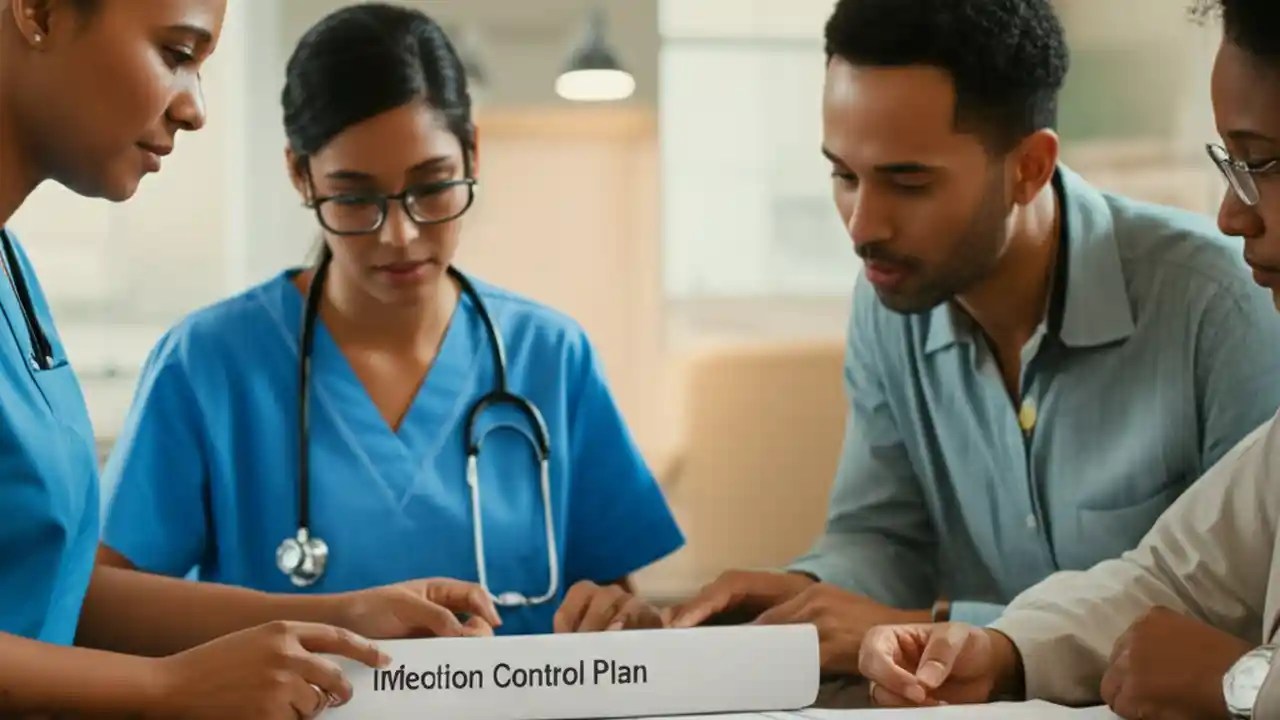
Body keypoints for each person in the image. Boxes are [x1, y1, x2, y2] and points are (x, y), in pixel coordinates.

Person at [655, 0, 1280, 677]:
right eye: (843, 175)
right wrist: (801, 600)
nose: (863, 226)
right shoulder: (890, 298)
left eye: (908, 182)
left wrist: (935, 630)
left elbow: (1234, 612)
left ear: (1029, 168)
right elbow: (884, 536)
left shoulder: (1224, 303)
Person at [95, 2, 685, 638]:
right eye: (355, 197)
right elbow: (101, 606)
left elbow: (610, 604)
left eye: (431, 188)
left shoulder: (552, 355)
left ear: (473, 154)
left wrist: (623, 616)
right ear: (300, 174)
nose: (400, 236)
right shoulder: (210, 364)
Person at [0, 1, 508, 718]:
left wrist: (345, 618)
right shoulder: (210, 356)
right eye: (177, 53)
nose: (195, 109)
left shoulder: (12, 274)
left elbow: (54, 588)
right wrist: (167, 688)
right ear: (40, 11)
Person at [857, 1, 1280, 718]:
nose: (1233, 215)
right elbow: (1169, 581)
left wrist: (1243, 684)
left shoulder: (1209, 298)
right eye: (1230, 164)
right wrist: (1002, 650)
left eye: (1260, 164)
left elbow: (1224, 656)